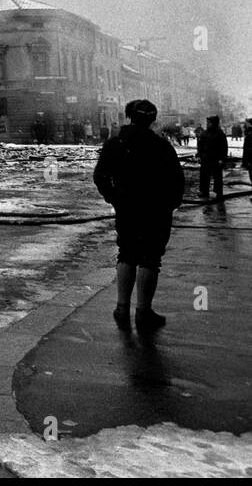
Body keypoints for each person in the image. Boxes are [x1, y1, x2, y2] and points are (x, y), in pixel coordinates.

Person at [93, 98, 186, 332]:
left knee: (126, 254)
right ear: (152, 120)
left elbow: (100, 176)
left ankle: (122, 308)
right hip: (156, 210)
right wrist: (170, 204)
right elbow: (177, 181)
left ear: (129, 117)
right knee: (151, 259)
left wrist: (114, 197)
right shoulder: (162, 146)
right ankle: (143, 312)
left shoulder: (116, 143)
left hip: (127, 208)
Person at [197, 115, 227, 201]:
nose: (207, 124)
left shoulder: (220, 134)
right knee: (204, 176)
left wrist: (222, 159)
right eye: (207, 122)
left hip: (216, 159)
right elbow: (200, 146)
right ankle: (204, 192)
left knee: (217, 177)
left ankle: (218, 193)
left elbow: (224, 147)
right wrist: (199, 156)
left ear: (214, 123)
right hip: (205, 159)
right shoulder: (204, 133)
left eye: (209, 122)